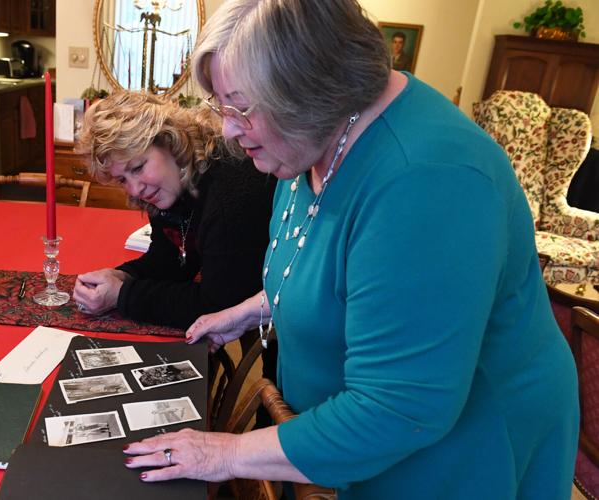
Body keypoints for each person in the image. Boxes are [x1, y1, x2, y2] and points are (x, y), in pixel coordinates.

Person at [121, 1, 579, 498]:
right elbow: (335, 272)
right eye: (221, 107)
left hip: (463, 452)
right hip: (359, 438)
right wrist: (250, 311)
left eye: (242, 107)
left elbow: (398, 407)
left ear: (312, 87)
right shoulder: (309, 139)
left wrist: (223, 453)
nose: (229, 128)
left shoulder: (427, 181)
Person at [71, 91, 275, 330]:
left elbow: (219, 305)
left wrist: (123, 294)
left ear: (169, 141)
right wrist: (122, 276)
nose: (135, 189)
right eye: (122, 179)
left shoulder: (229, 193)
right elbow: (171, 261)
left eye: (137, 167)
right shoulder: (171, 185)